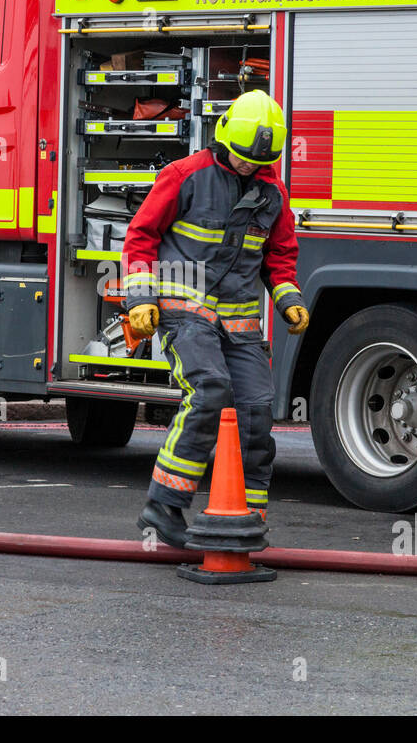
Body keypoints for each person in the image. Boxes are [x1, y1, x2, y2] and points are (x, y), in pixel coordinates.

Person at [122, 90, 310, 548]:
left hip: (240, 323)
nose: (249, 167)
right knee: (209, 390)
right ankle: (163, 506)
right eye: (244, 159)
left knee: (255, 413)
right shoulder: (186, 175)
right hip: (184, 313)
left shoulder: (272, 193)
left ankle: (245, 518)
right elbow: (141, 236)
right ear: (223, 137)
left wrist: (287, 298)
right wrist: (140, 299)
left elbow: (279, 256)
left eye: (258, 162)